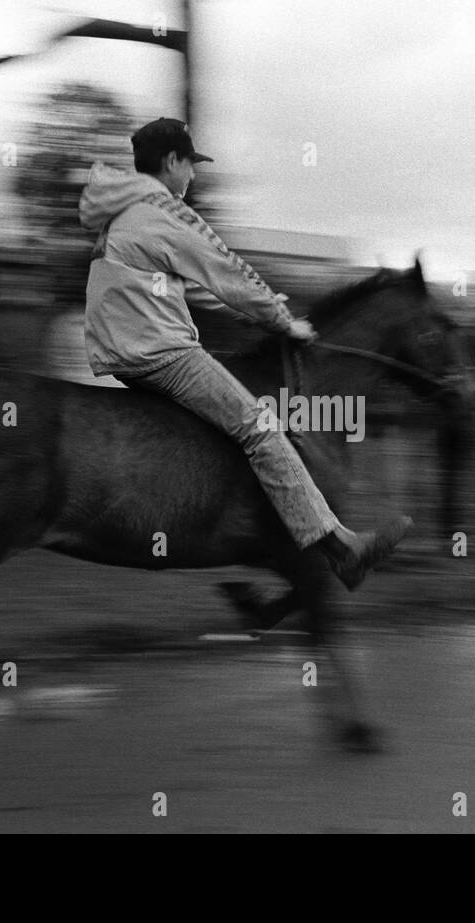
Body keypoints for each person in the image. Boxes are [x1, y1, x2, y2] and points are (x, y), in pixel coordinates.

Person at [79, 117, 411, 590]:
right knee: (263, 430)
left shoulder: (121, 212)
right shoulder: (163, 211)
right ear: (172, 161)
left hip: (121, 352)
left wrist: (254, 315)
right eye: (190, 165)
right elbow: (228, 273)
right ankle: (341, 548)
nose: (192, 176)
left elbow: (203, 286)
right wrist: (283, 320)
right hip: (161, 353)